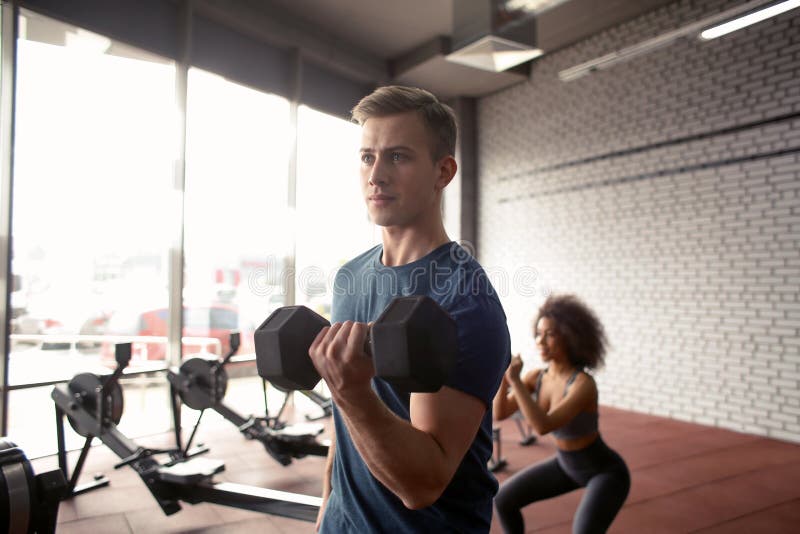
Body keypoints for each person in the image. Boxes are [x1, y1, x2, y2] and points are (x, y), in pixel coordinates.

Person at [307, 85, 511, 533]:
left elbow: (423, 485)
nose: (376, 175)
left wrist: (351, 391)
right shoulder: (351, 277)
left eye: (398, 156)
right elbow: (344, 430)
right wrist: (327, 512)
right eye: (367, 157)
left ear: (443, 171)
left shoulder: (463, 300)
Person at [493, 294, 630, 534]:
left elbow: (543, 425)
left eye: (550, 334)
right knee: (503, 500)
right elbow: (500, 412)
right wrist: (505, 377)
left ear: (569, 337)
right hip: (566, 465)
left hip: (605, 472)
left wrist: (514, 380)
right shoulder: (538, 377)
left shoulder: (583, 385)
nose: (541, 341)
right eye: (538, 333)